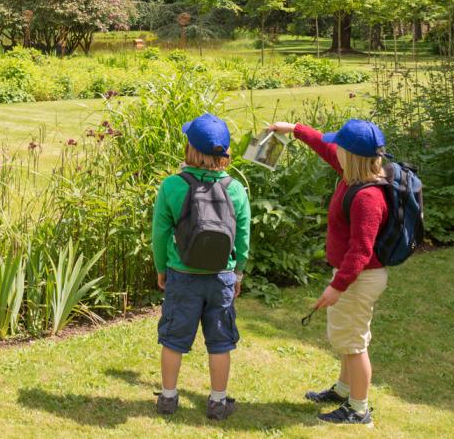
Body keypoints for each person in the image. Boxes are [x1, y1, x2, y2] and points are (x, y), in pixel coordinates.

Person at [266, 118, 388, 426]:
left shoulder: (367, 198)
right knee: (346, 336)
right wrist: (293, 129)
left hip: (359, 278)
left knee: (354, 342)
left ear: (352, 155)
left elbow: (361, 251)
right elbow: (324, 145)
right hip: (352, 277)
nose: (336, 151)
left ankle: (359, 410)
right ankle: (344, 389)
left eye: (341, 148)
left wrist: (338, 287)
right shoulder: (353, 174)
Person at [151, 113, 251, 421]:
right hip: (221, 276)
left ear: (190, 148)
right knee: (220, 341)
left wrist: (161, 268)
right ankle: (218, 402)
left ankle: (168, 398)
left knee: (173, 339)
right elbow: (243, 235)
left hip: (182, 275)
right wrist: (238, 271)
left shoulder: (172, 185)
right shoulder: (235, 188)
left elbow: (160, 233)